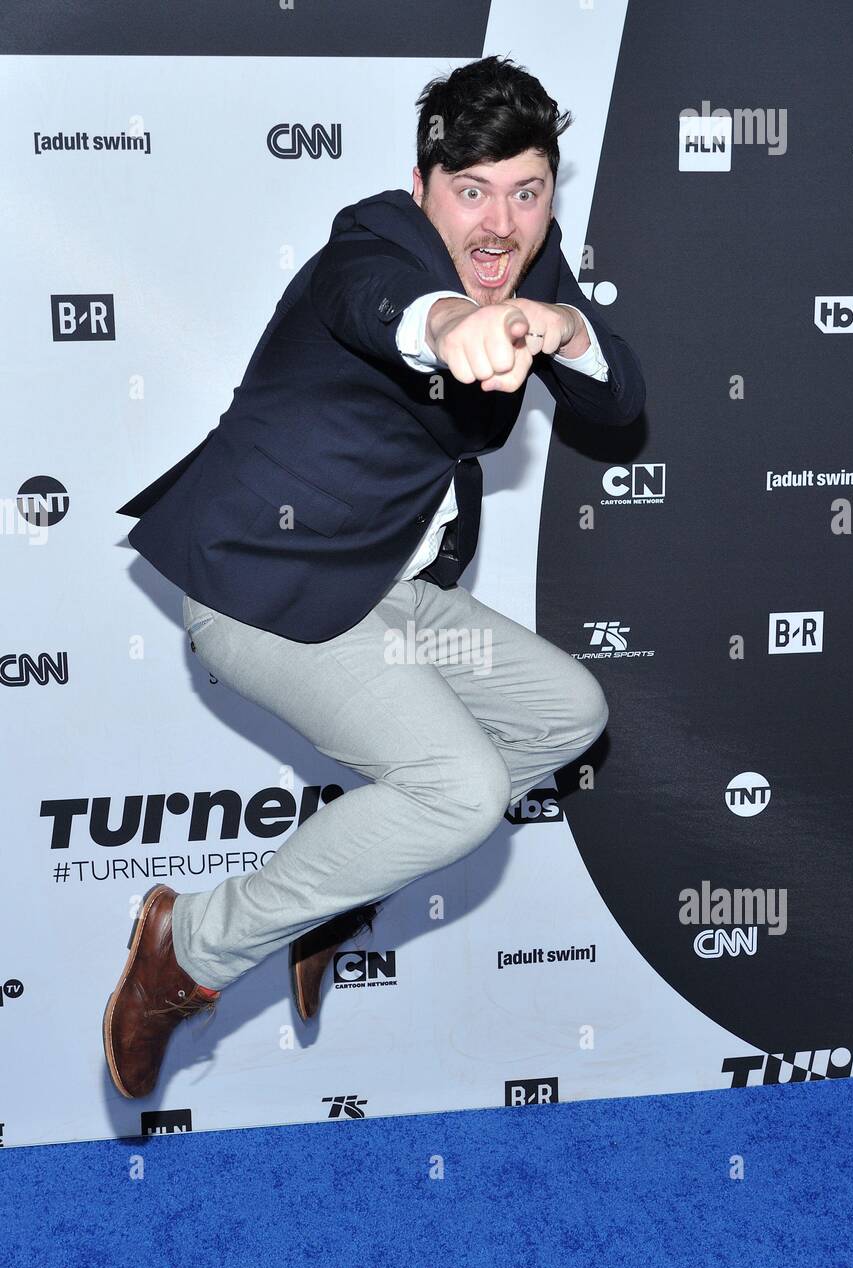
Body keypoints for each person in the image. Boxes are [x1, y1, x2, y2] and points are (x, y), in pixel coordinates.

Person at [103, 55, 646, 1101]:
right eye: (471, 192)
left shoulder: (527, 266)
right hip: (261, 586)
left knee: (568, 710)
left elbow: (617, 398)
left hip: (382, 592)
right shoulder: (377, 238)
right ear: (423, 187)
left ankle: (332, 888)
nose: (498, 224)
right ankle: (185, 953)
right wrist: (455, 324)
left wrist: (559, 325)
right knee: (459, 790)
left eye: (525, 192)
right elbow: (385, 303)